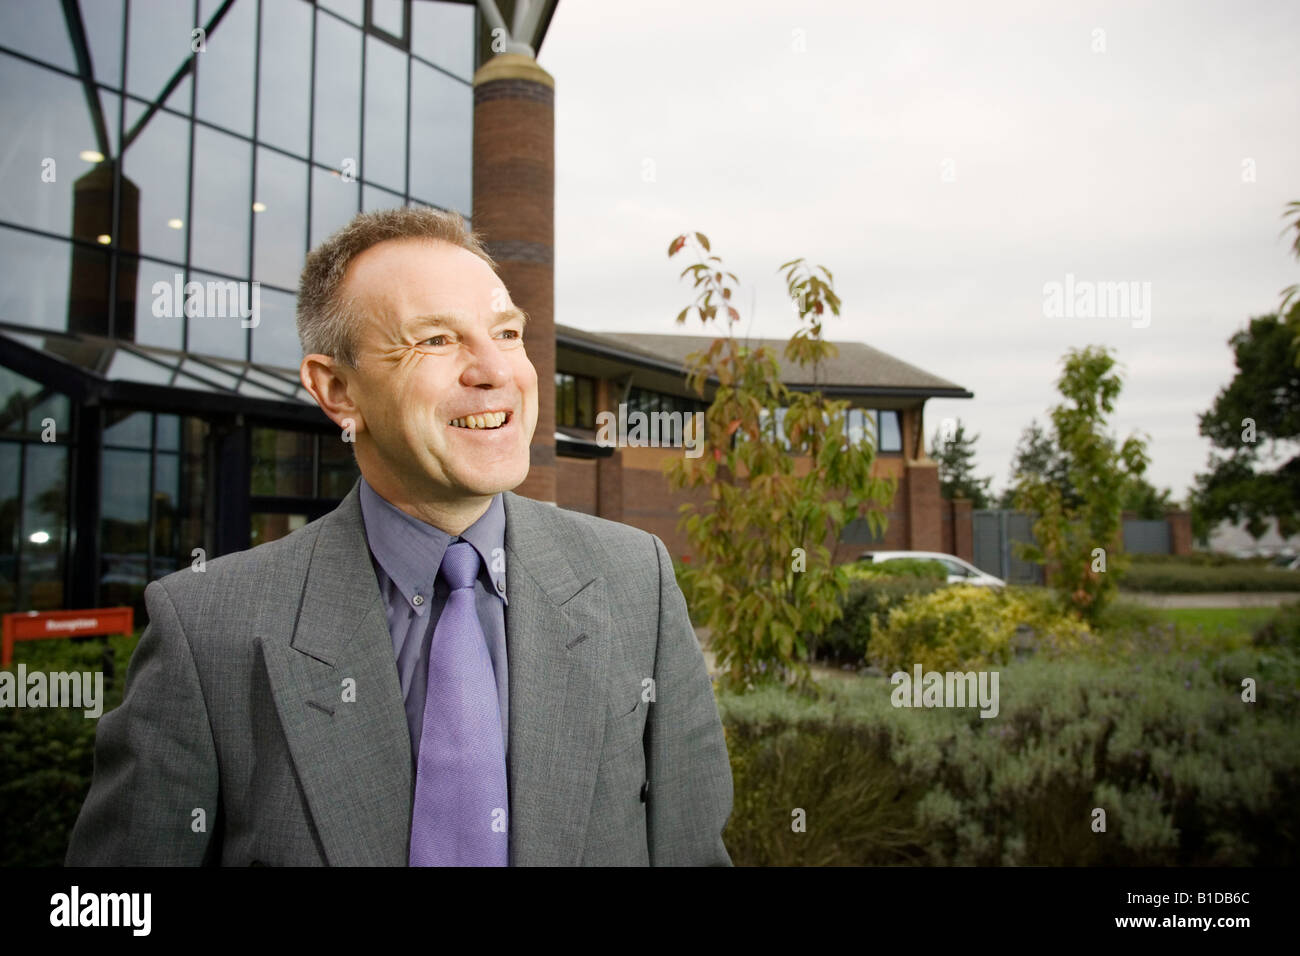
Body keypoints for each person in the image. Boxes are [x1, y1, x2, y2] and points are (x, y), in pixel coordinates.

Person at [65, 207, 733, 866]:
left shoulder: (634, 581)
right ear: (337, 389)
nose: (494, 371)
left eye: (506, 332)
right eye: (437, 341)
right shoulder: (205, 627)